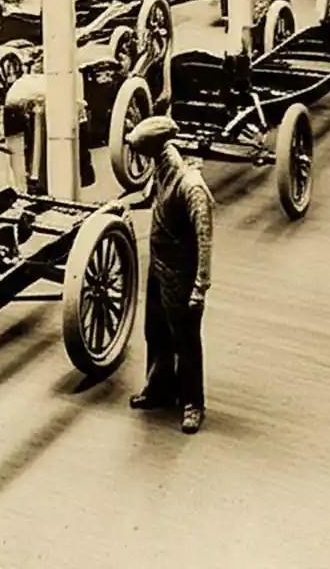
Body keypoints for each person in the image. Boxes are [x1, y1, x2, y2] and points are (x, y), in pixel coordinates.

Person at [125, 116, 214, 435]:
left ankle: (193, 403)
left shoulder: (192, 188)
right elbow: (147, 199)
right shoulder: (161, 171)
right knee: (156, 331)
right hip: (158, 266)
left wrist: (200, 287)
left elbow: (205, 240)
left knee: (186, 341)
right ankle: (160, 387)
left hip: (182, 274)